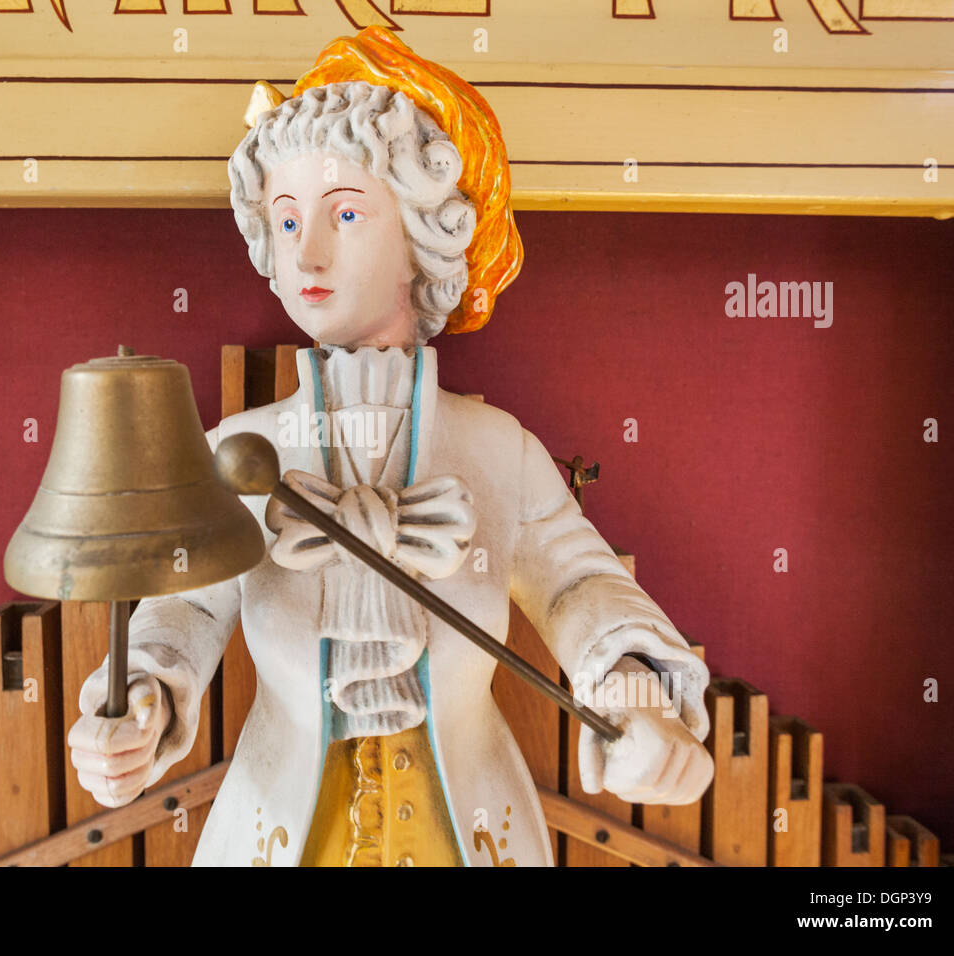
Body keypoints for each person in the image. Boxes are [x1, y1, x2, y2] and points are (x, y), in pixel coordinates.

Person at [67, 27, 713, 867]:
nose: (308, 252)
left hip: (473, 834)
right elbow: (188, 605)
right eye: (287, 219)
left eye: (344, 214)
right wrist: (145, 692)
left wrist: (634, 691)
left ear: (424, 232)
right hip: (277, 834)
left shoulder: (495, 449)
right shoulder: (240, 450)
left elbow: (578, 584)